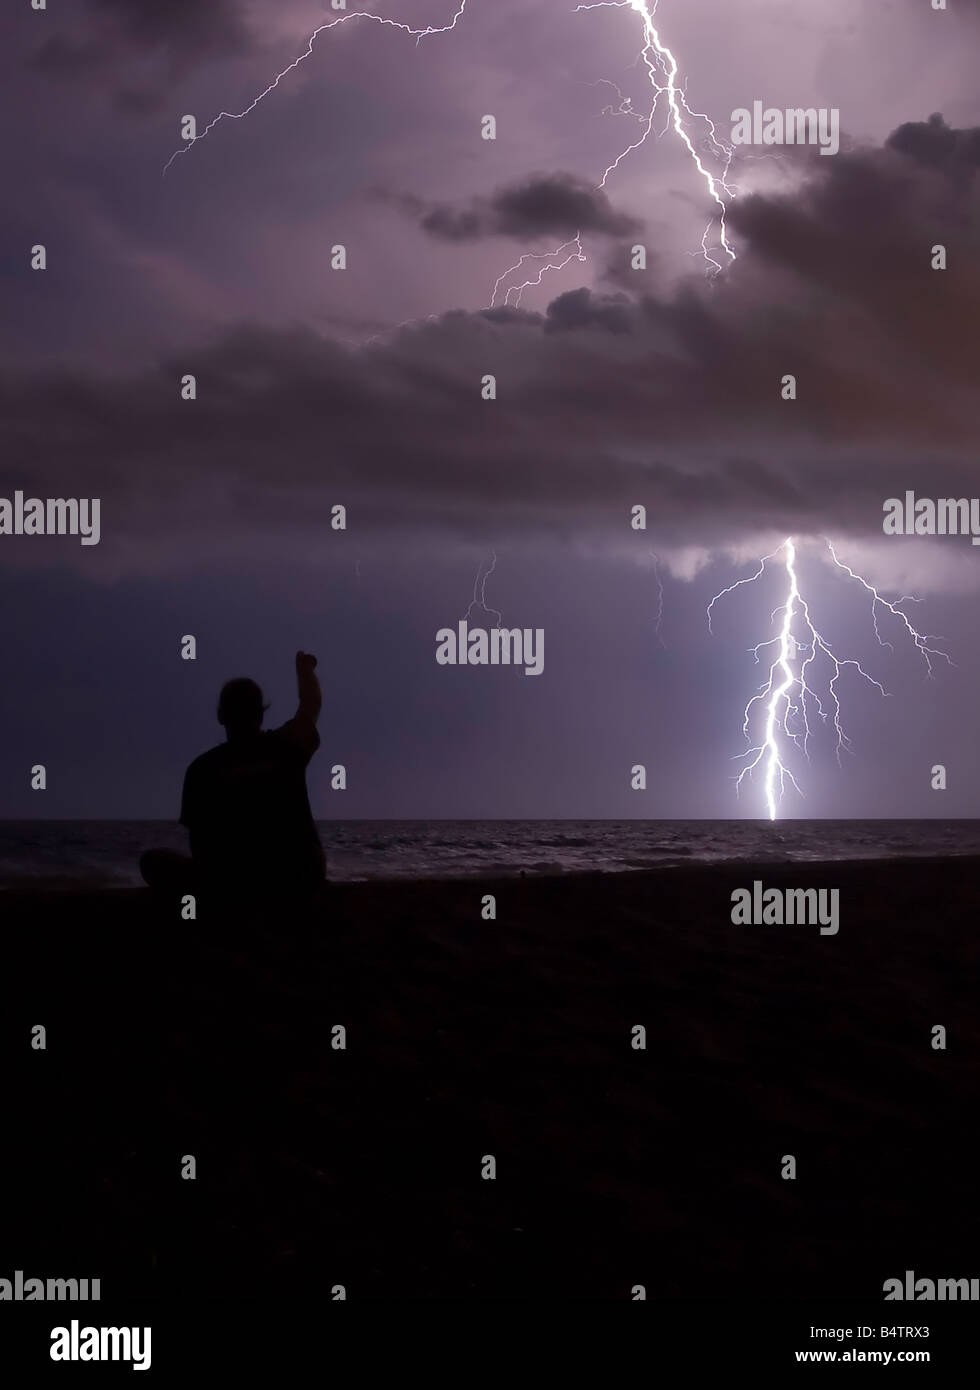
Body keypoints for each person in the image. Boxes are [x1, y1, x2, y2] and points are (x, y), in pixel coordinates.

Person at [141, 651, 326, 904]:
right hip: (299, 875)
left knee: (152, 861)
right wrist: (305, 669)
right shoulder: (287, 746)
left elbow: (201, 845)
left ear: (221, 716)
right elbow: (311, 705)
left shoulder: (202, 769)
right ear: (261, 715)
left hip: (235, 882)